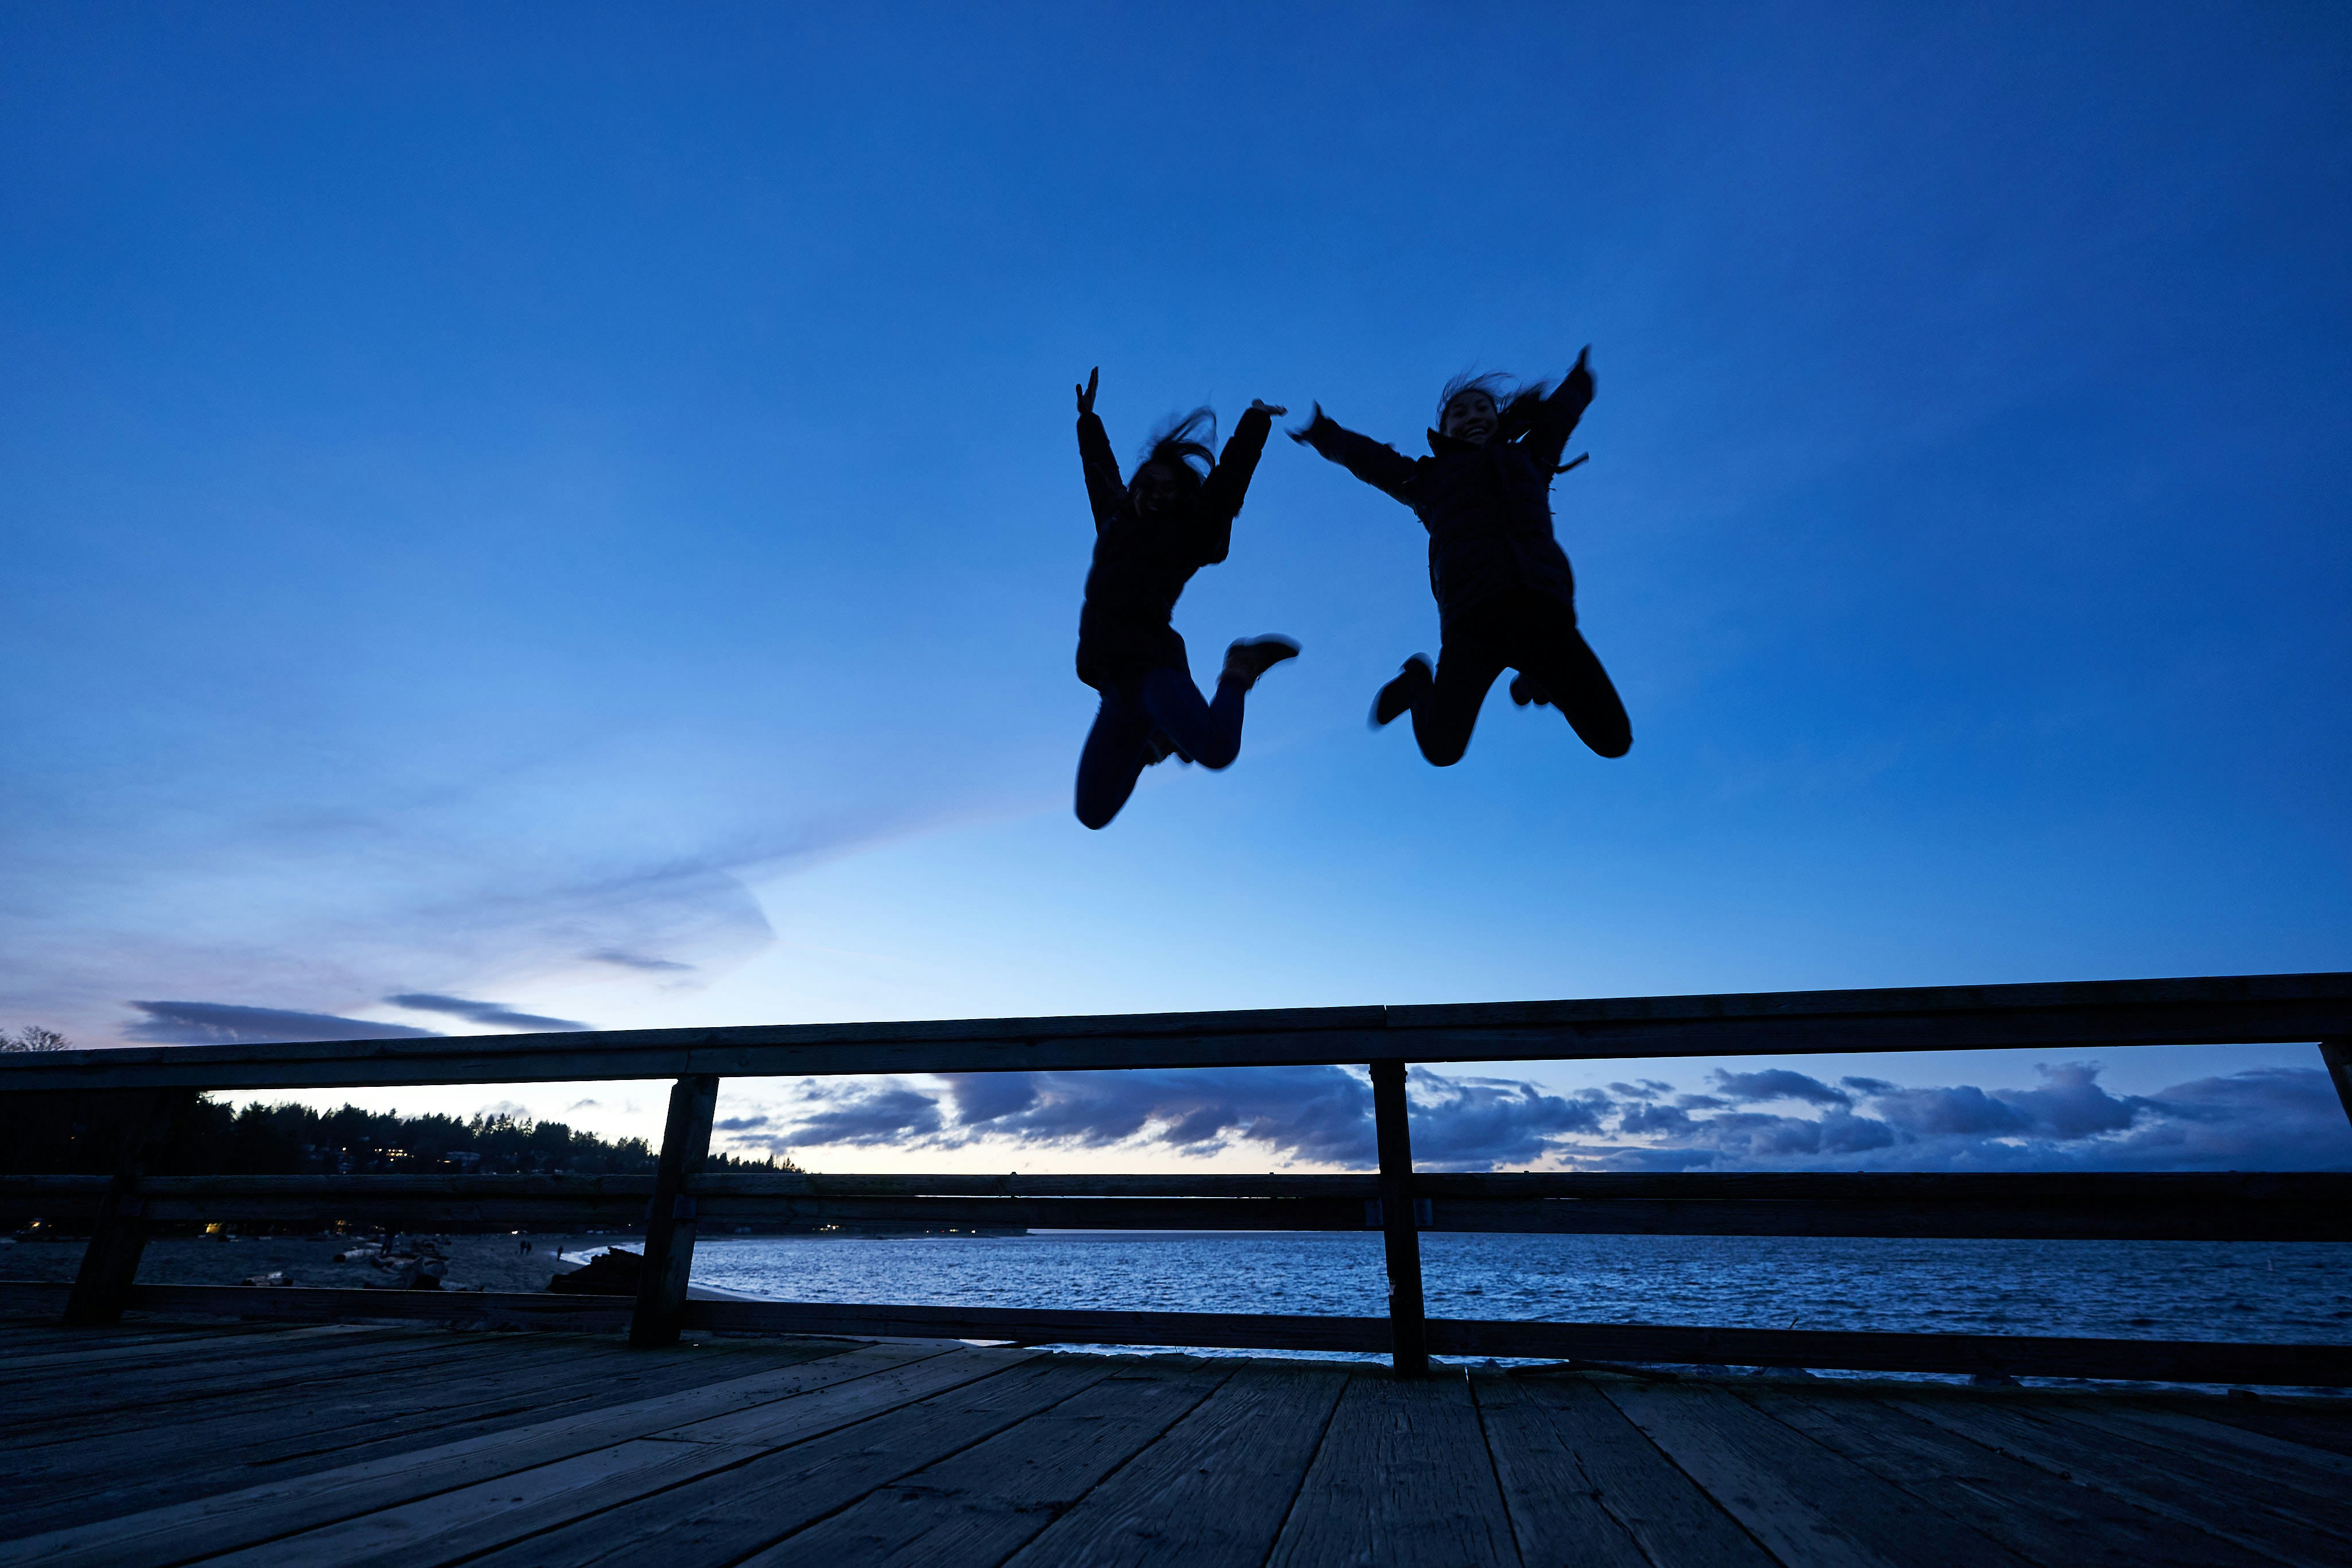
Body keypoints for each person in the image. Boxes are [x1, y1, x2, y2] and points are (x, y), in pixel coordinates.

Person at [1290, 347, 1631, 765]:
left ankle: (1537, 680)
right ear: (1444, 430)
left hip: (1544, 611)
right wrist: (1325, 434)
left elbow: (1559, 417)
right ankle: (1419, 681)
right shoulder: (1428, 479)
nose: (1473, 417)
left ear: (1498, 419)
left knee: (1614, 740)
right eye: (1460, 413)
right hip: (1474, 621)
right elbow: (1371, 461)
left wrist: (1579, 382)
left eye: (1482, 409)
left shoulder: (1531, 458)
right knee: (1442, 749)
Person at [1071, 367, 1299, 828]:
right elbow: (1098, 471)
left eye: (1166, 489)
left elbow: (1225, 489)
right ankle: (1153, 743)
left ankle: (1240, 667)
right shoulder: (1115, 521)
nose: (1153, 494)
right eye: (1146, 485)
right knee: (1092, 813)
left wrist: (1255, 422)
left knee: (1216, 750)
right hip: (1115, 690)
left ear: (1179, 499)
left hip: (1154, 672)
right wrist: (1087, 420)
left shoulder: (1183, 538)